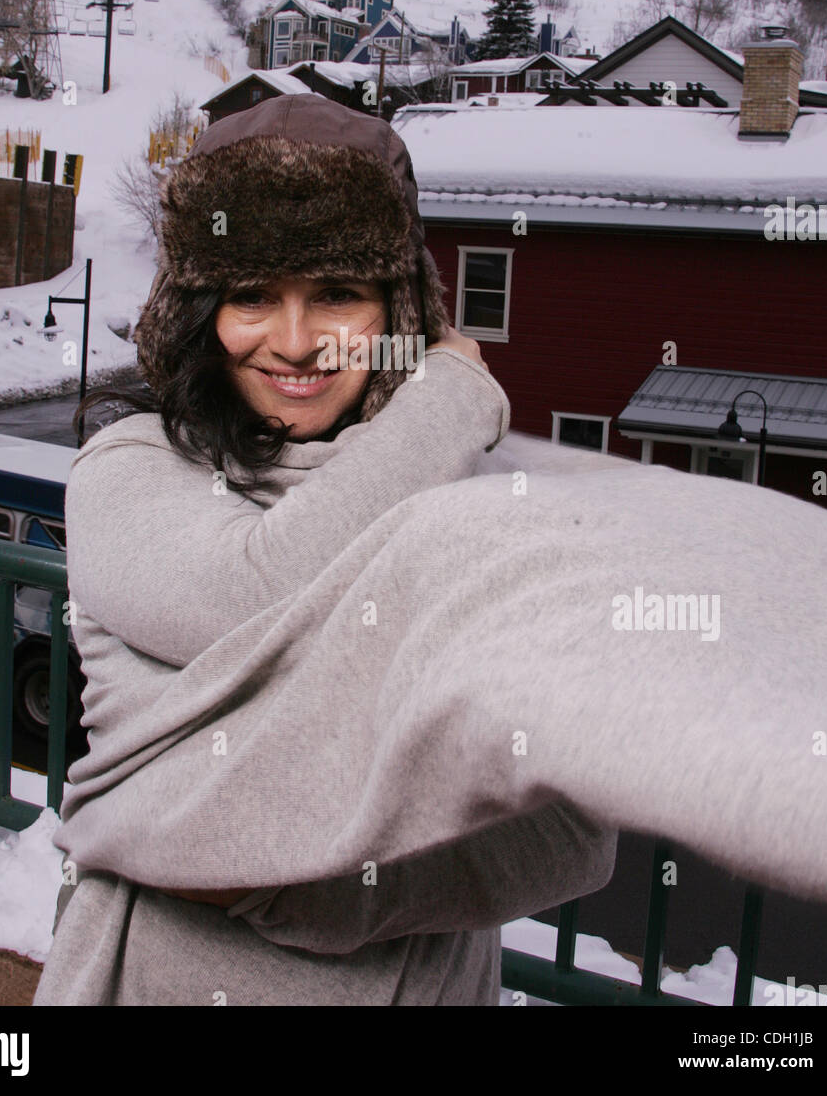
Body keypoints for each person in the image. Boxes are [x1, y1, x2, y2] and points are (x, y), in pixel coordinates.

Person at [33, 94, 618, 1006]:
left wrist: (274, 878)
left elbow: (569, 830)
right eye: (253, 295)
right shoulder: (130, 470)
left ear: (398, 308)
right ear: (198, 311)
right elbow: (250, 593)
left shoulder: (476, 498)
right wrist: (452, 396)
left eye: (338, 293)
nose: (296, 343)